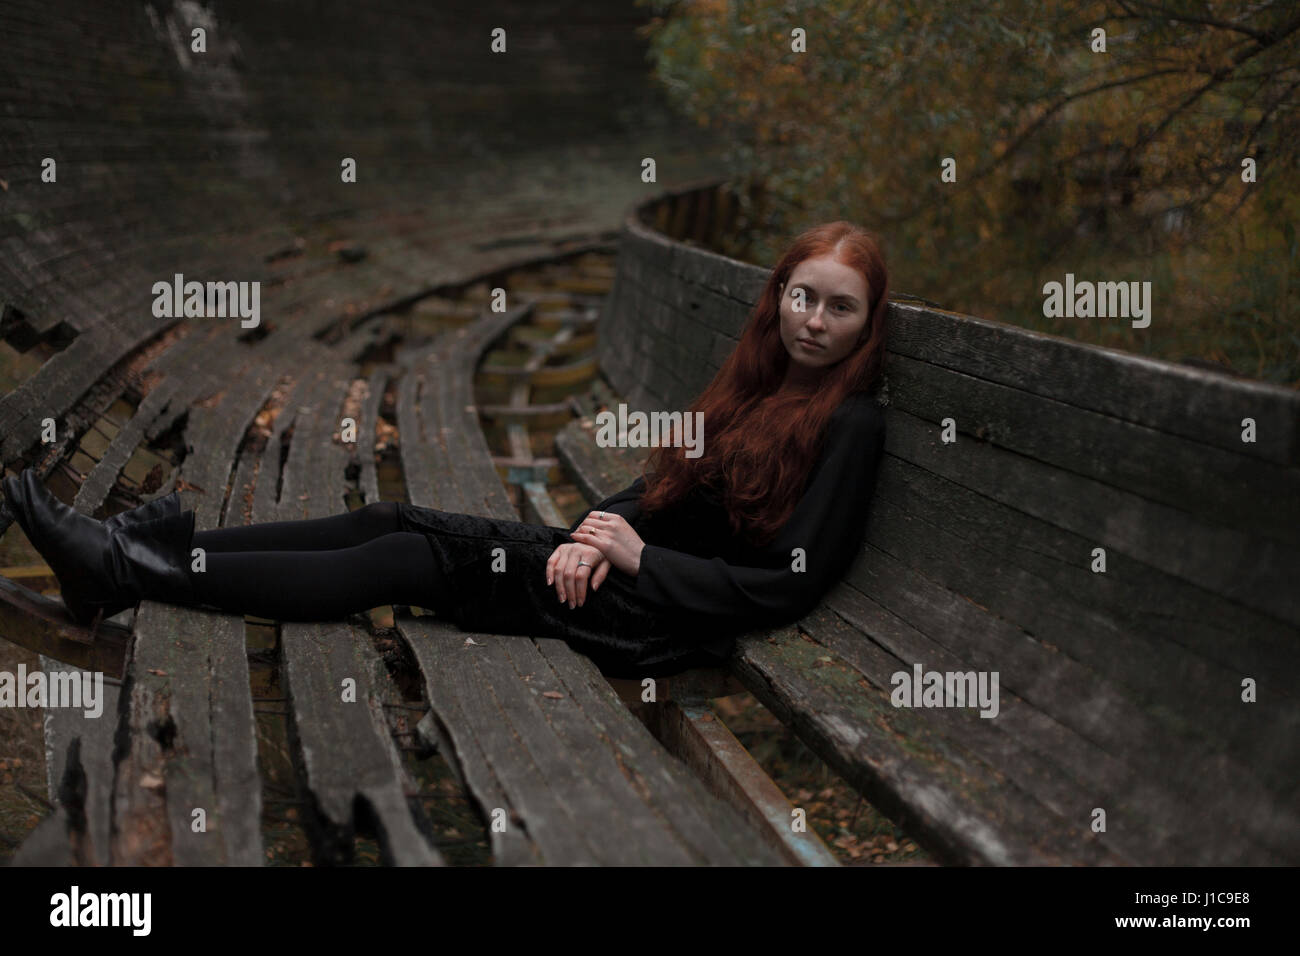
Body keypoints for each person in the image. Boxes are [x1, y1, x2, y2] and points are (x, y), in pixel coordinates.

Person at [0, 221, 890, 679]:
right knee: (388, 515)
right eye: (802, 296)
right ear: (777, 296)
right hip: (616, 574)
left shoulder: (851, 424)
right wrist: (595, 533)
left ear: (865, 324)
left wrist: (639, 561)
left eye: (838, 308)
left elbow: (789, 583)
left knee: (405, 561)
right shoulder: (759, 386)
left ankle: (125, 573)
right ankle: (135, 551)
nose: (814, 321)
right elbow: (663, 491)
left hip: (660, 618)